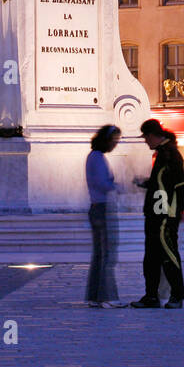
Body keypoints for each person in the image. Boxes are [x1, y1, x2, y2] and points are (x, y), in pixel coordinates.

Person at [132, 119, 184, 309]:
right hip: (155, 214)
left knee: (169, 255)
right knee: (151, 257)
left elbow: (180, 185)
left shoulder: (170, 154)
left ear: (151, 135)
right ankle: (151, 295)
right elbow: (160, 183)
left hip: (165, 214)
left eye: (146, 138)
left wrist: (181, 209)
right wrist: (146, 183)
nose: (145, 142)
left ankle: (177, 295)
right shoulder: (162, 153)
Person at [85, 125, 125, 307]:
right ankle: (106, 296)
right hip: (102, 208)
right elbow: (101, 183)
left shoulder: (95, 157)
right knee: (106, 254)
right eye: (114, 141)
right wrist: (117, 186)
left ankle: (95, 296)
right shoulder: (97, 158)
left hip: (98, 207)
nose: (115, 145)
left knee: (100, 254)